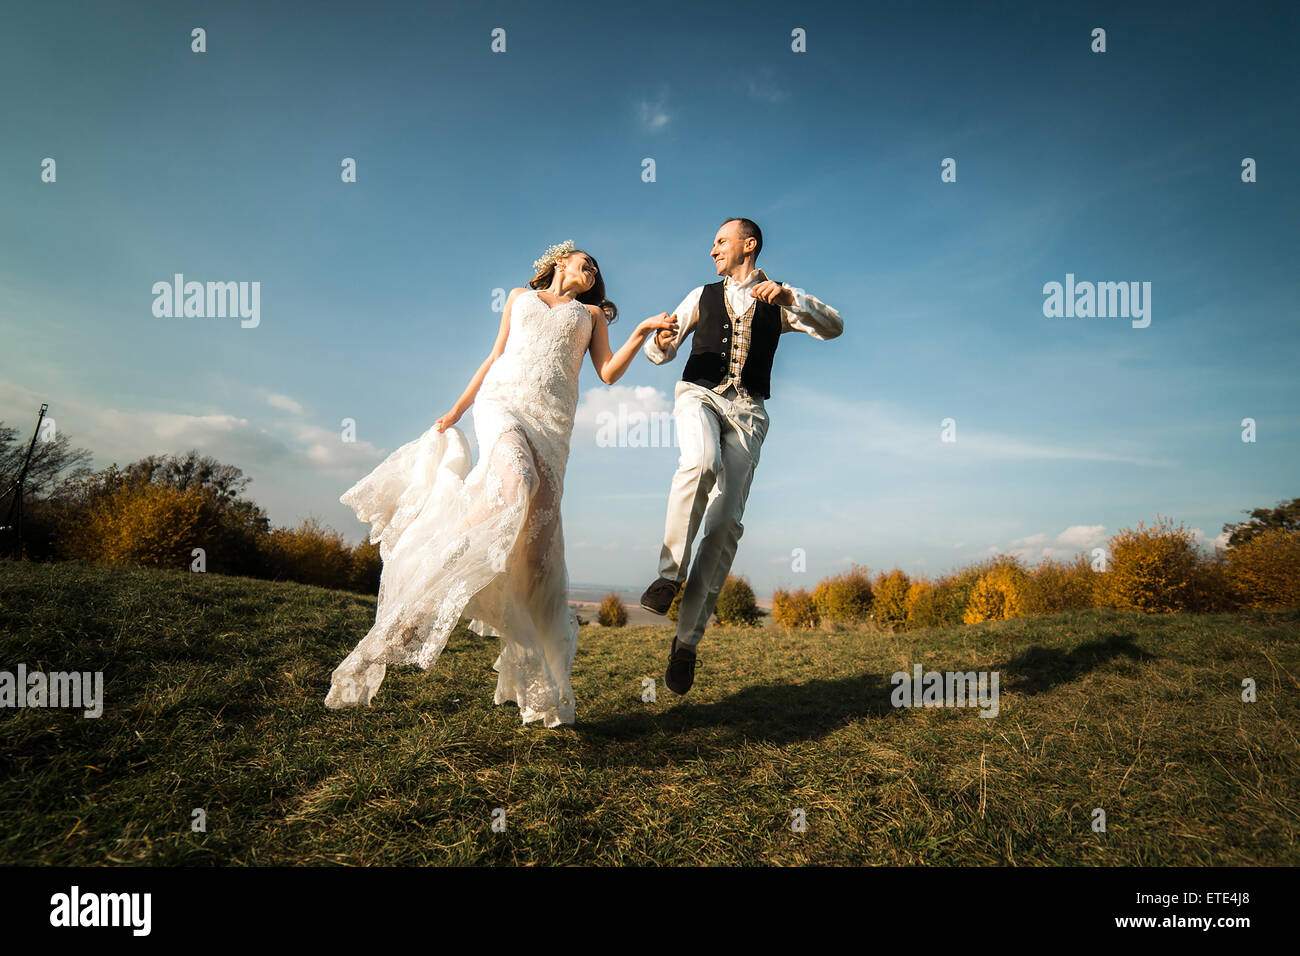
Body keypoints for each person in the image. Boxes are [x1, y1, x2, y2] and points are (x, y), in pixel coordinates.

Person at [326, 241, 678, 727]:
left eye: (595, 269)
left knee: (537, 554)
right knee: (515, 481)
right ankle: (419, 603)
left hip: (554, 425)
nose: (592, 270)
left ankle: (538, 681)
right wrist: (458, 409)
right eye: (584, 261)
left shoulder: (591, 316)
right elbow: (493, 357)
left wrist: (639, 330)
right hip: (504, 406)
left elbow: (608, 373)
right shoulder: (518, 297)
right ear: (560, 263)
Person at [639, 218, 844, 695]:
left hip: (749, 411)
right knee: (700, 462)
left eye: (720, 242)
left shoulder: (779, 296)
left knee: (725, 524)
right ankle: (669, 576)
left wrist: (792, 299)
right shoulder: (701, 295)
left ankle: (687, 643)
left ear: (748, 246)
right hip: (700, 395)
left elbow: (834, 327)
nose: (712, 250)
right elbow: (660, 351)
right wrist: (662, 344)